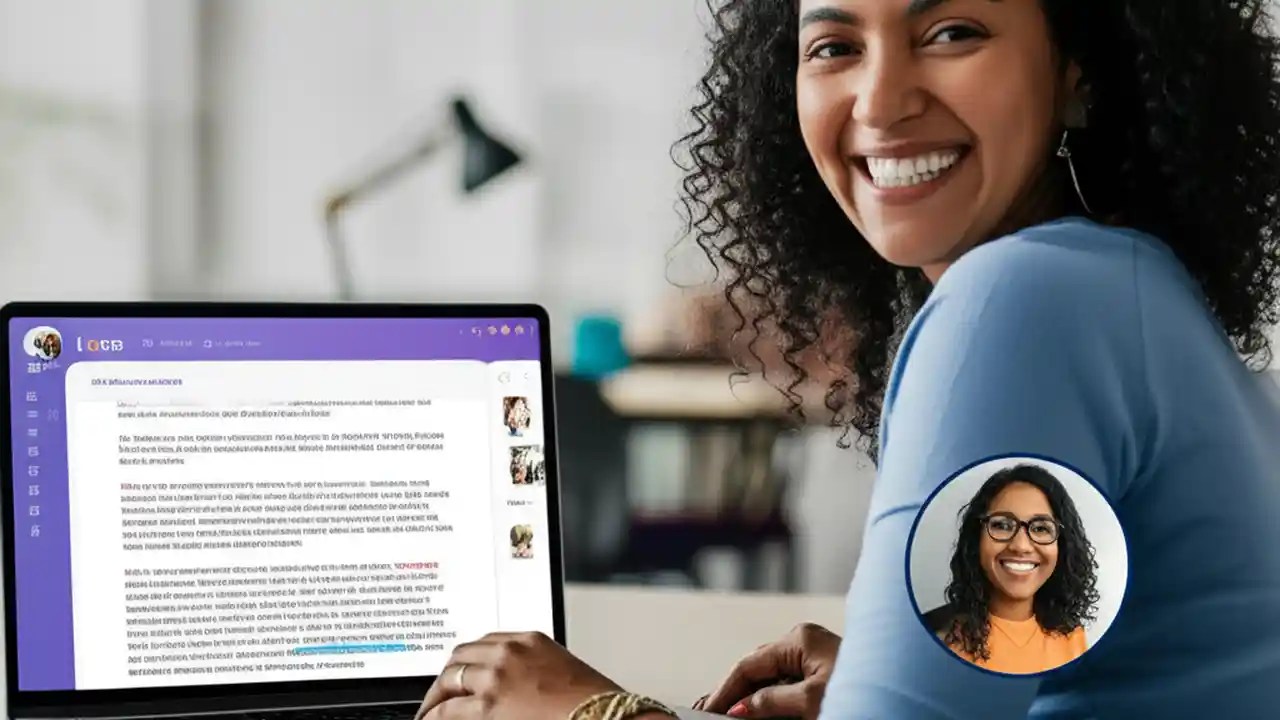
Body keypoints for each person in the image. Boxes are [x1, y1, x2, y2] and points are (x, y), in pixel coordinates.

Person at [415, 0, 1280, 718]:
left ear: (1077, 69)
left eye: (952, 33)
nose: (879, 101)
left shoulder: (1020, 298)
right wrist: (893, 674)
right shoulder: (1122, 279)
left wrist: (582, 709)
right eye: (835, 46)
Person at [924, 465, 1097, 675]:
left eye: (1041, 528)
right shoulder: (935, 637)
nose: (1021, 546)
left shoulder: (1072, 637)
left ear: (1063, 545)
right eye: (1002, 525)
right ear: (976, 539)